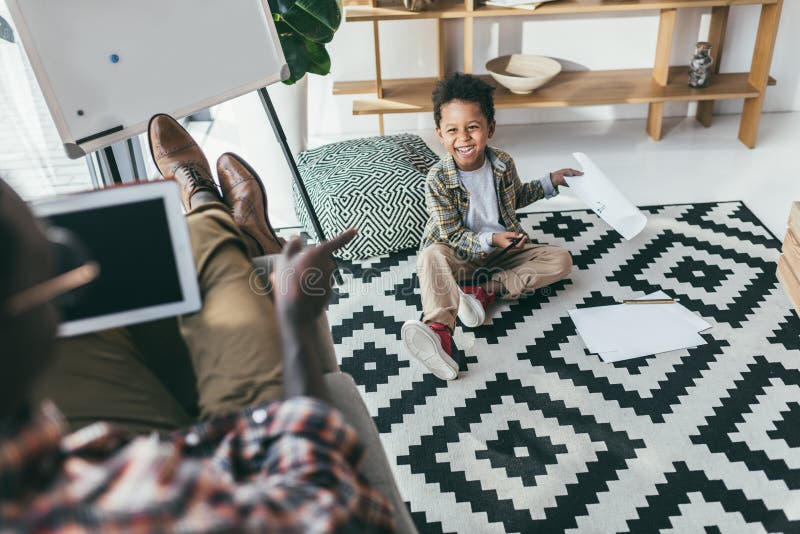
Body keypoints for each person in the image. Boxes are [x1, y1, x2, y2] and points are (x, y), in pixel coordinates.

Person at [0, 114, 395, 532]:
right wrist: (294, 320)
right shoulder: (120, 515)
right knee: (205, 249)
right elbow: (332, 510)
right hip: (228, 469)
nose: (62, 263)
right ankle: (213, 212)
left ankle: (223, 223)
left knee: (125, 290)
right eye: (56, 263)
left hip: (109, 452)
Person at [401, 73, 583, 381]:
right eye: (453, 130)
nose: (464, 138)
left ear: (490, 128)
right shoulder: (438, 179)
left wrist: (550, 181)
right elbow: (453, 234)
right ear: (440, 135)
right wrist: (492, 239)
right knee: (430, 256)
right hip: (459, 255)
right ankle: (440, 331)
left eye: (472, 127)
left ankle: (483, 292)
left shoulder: (502, 164)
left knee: (561, 259)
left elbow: (517, 197)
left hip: (500, 255)